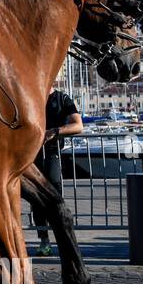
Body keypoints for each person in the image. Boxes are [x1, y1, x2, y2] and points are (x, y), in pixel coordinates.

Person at [34, 89, 83, 256]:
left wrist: (54, 132)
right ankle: (44, 240)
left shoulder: (62, 98)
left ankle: (63, 240)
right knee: (36, 199)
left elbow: (78, 125)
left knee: (55, 196)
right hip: (31, 154)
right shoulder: (30, 91)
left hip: (52, 152)